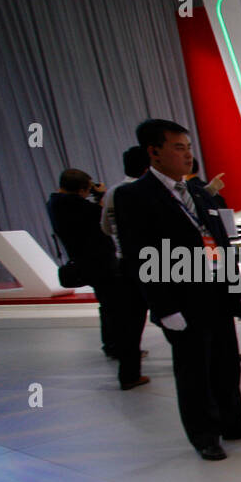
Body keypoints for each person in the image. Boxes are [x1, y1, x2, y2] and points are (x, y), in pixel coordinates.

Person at [115, 118, 241, 461]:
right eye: (178, 148)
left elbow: (221, 241)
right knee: (193, 370)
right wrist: (163, 307)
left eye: (188, 147)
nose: (187, 155)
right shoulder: (134, 196)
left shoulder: (198, 191)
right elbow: (140, 255)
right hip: (182, 298)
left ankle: (234, 422)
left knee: (227, 363)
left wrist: (238, 290)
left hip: (216, 291)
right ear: (154, 152)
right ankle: (204, 434)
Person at [48, 168, 148, 390]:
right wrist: (101, 196)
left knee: (109, 306)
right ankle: (125, 359)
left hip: (87, 263)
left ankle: (112, 345)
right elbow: (105, 218)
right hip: (100, 264)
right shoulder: (78, 206)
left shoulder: (55, 203)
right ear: (82, 189)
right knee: (122, 312)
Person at [99, 145, 152, 373]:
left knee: (130, 319)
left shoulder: (112, 191)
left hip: (125, 261)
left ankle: (129, 371)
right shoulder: (144, 191)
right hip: (152, 262)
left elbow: (106, 227)